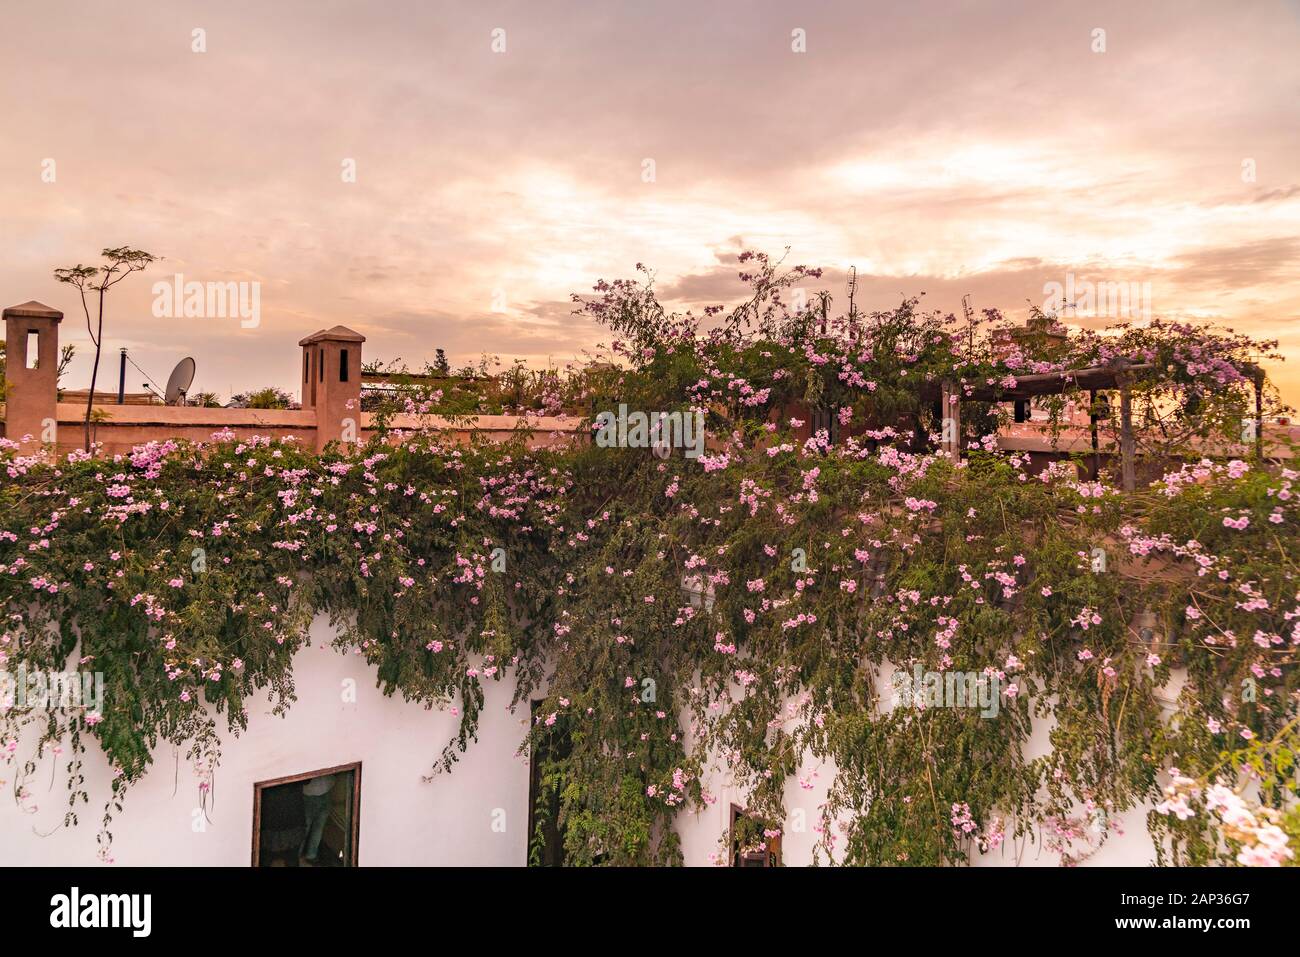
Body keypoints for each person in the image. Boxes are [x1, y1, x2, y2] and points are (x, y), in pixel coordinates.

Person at [300, 774, 337, 864]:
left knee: (306, 826)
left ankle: (300, 853)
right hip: (325, 789)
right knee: (317, 827)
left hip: (311, 791)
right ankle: (311, 854)